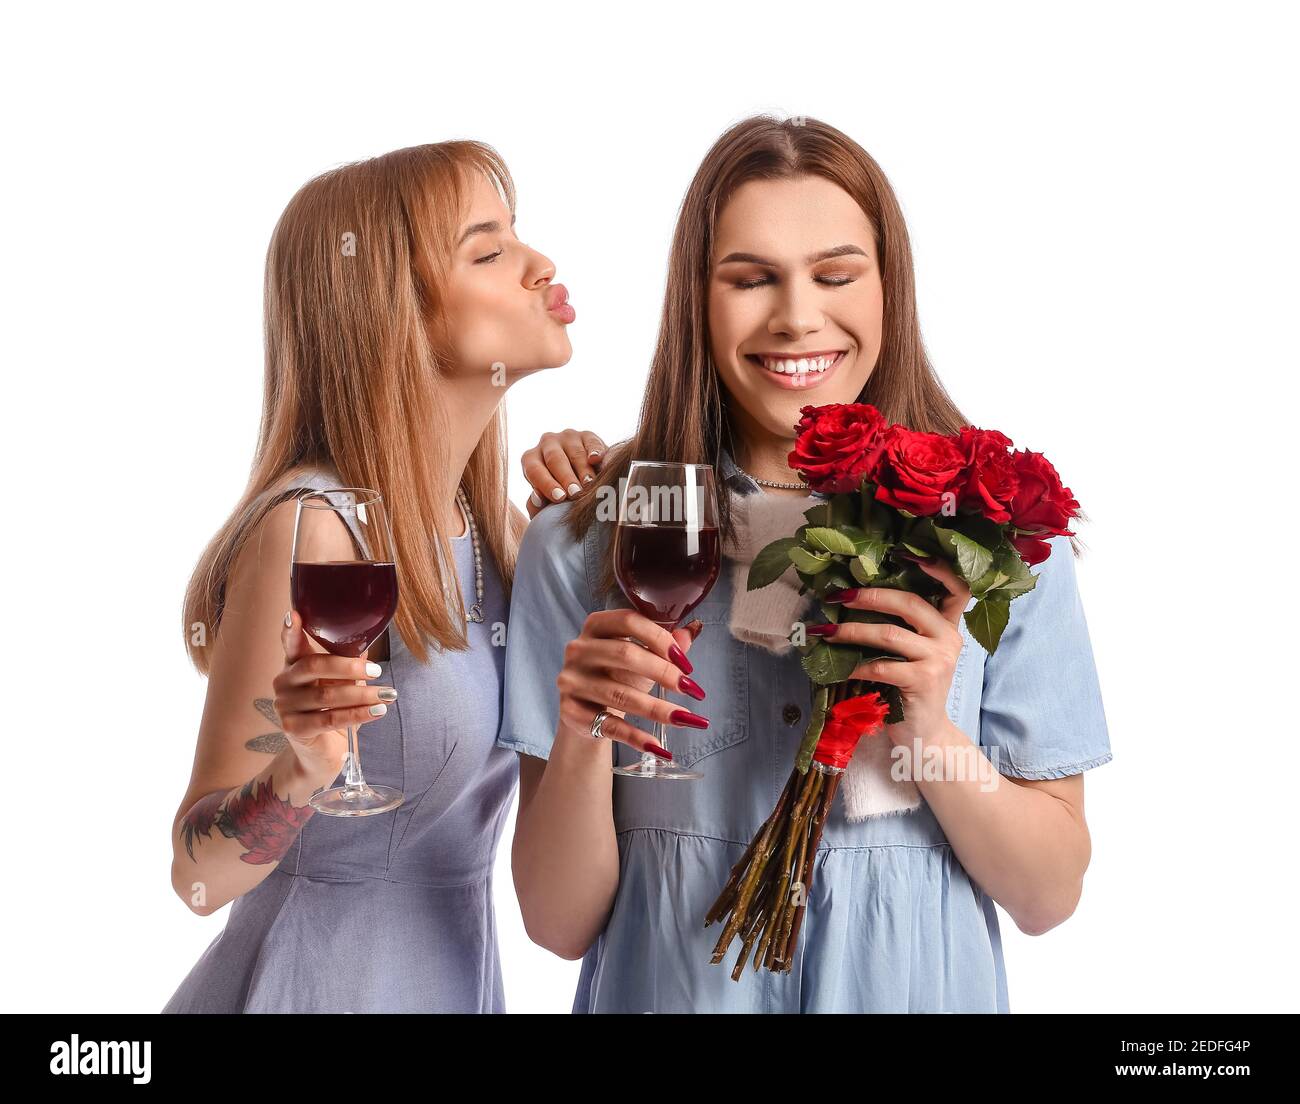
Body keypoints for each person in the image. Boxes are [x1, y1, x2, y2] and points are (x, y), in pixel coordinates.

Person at [499, 115, 1112, 1013]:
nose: (796, 316)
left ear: (887, 289)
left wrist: (931, 731)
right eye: (750, 279)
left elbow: (1048, 895)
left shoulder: (996, 539)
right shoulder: (591, 541)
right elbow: (555, 924)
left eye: (836, 275)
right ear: (696, 299)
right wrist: (586, 733)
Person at [164, 140, 603, 1013]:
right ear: (389, 310)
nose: (539, 264)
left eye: (517, 234)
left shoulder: (498, 532)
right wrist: (295, 774)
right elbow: (195, 873)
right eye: (488, 251)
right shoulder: (318, 529)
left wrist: (598, 527)